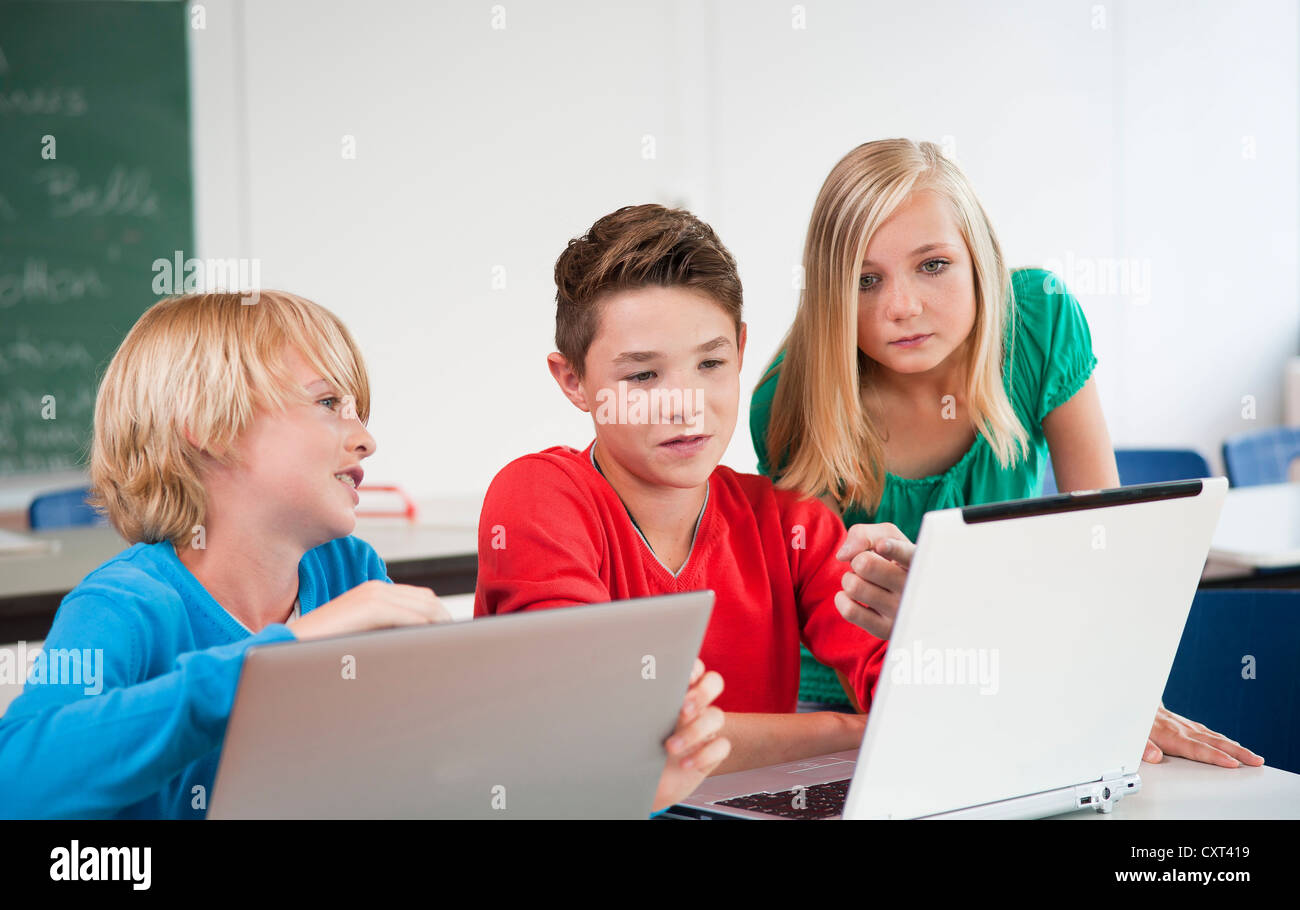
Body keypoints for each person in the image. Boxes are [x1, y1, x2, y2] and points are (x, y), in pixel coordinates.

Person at [0, 290, 726, 818]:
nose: (365, 439)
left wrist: (623, 789)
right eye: (328, 405)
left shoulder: (346, 574)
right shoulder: (127, 607)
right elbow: (18, 780)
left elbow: (434, 788)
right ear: (207, 428)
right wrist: (272, 666)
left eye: (359, 410)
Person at [750, 138, 1263, 768]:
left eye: (932, 264)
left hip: (1013, 669)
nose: (901, 307)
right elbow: (842, 622)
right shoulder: (792, 400)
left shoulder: (1040, 321)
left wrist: (1111, 697)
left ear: (978, 257)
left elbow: (1107, 547)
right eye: (865, 279)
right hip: (854, 704)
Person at [477, 204, 904, 774]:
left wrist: (923, 621)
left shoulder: (790, 523)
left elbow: (912, 704)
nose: (687, 403)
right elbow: (608, 729)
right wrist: (847, 731)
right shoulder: (537, 496)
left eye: (710, 362)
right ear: (573, 381)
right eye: (643, 375)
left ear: (741, 351)